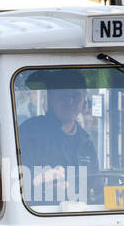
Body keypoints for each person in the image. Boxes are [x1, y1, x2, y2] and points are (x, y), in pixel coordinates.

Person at [18, 72, 98, 202]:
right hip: (38, 214)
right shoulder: (30, 132)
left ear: (83, 104)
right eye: (63, 96)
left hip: (82, 215)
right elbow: (12, 178)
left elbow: (97, 188)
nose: (70, 102)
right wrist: (40, 179)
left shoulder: (86, 143)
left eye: (76, 97)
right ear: (50, 100)